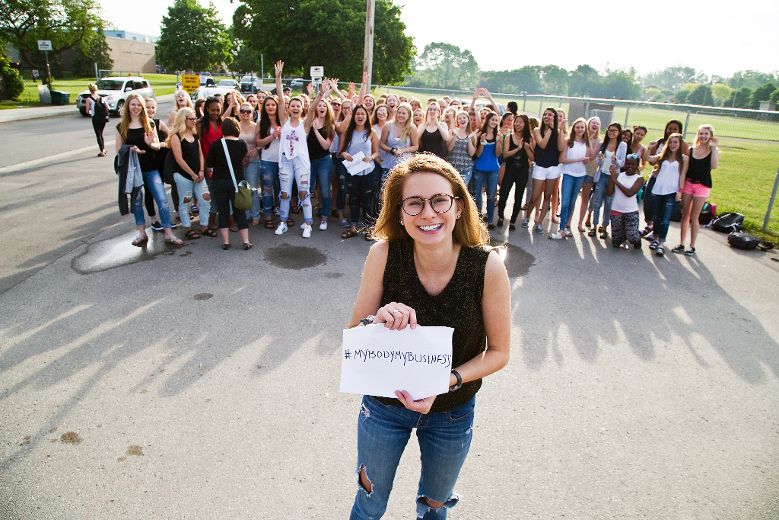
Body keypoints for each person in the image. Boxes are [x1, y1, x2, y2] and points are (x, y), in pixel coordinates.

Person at [347, 154, 510, 520]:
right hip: (384, 408)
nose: (428, 213)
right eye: (414, 203)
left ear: (457, 206)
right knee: (370, 501)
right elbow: (354, 333)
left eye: (439, 200)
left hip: (451, 413)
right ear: (400, 212)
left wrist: (448, 380)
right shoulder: (384, 253)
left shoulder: (487, 266)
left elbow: (499, 352)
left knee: (436, 507)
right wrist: (376, 319)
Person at [115, 93, 182, 247]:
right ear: (127, 106)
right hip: (133, 171)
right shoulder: (121, 127)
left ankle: (168, 233)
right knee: (137, 203)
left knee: (162, 200)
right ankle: (141, 233)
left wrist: (150, 144)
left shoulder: (149, 123)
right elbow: (119, 150)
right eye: (133, 104)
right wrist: (132, 149)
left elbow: (158, 146)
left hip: (150, 168)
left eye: (139, 104)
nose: (136, 107)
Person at [272, 61, 327, 239]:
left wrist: (320, 93)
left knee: (304, 193)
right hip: (286, 161)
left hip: (301, 162)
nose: (295, 107)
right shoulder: (284, 121)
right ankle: (282, 222)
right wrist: (278, 78)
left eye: (298, 106)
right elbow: (280, 98)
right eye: (292, 105)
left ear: (301, 108)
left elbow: (312, 108)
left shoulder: (305, 124)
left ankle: (308, 224)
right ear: (288, 109)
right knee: (286, 194)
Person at [206, 118, 252, 250]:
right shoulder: (242, 144)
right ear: (236, 128)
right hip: (236, 181)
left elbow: (209, 164)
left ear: (223, 130)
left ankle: (226, 242)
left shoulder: (215, 144)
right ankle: (246, 241)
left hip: (219, 182)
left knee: (223, 211)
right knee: (240, 212)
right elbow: (244, 160)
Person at [672, 125, 719, 256]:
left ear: (710, 136)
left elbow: (714, 166)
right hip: (688, 184)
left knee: (694, 216)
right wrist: (680, 189)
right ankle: (681, 243)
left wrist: (714, 148)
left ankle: (692, 246)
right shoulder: (691, 150)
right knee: (685, 215)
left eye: (706, 134)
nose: (703, 136)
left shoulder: (712, 152)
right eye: (701, 134)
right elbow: (684, 172)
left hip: (702, 187)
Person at [168, 107, 210, 240]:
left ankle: (204, 225)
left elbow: (200, 154)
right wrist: (192, 174)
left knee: (205, 199)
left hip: (199, 174)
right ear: (183, 119)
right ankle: (187, 227)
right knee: (185, 201)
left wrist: (201, 170)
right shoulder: (176, 137)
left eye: (194, 118)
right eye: (191, 118)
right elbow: (179, 159)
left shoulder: (194, 134)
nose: (194, 121)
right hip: (183, 175)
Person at [339, 103, 379, 240]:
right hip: (353, 171)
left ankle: (369, 229)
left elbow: (376, 152)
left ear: (366, 116)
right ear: (354, 116)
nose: (360, 116)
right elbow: (341, 151)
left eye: (362, 114)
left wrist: (371, 157)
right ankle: (353, 227)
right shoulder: (348, 132)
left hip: (368, 171)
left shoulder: (371, 132)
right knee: (354, 199)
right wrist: (345, 155)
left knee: (367, 201)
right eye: (357, 114)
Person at [646, 132, 688, 257]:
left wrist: (680, 191)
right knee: (656, 216)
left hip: (671, 191)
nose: (673, 144)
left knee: (665, 219)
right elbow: (648, 159)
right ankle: (655, 238)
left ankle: (661, 243)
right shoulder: (663, 156)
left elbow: (682, 175)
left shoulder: (684, 158)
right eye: (670, 142)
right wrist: (649, 149)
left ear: (680, 144)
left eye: (675, 142)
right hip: (658, 190)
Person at [525, 107, 564, 234]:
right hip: (540, 167)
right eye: (545, 114)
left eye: (550, 115)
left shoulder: (558, 131)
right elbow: (542, 144)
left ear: (555, 117)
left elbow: (561, 147)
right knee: (535, 196)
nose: (547, 116)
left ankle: (539, 222)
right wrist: (551, 130)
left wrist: (559, 131)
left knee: (547, 195)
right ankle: (527, 216)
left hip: (553, 168)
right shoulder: (537, 130)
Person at [551, 117, 590, 239]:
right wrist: (578, 160)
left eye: (582, 127)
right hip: (568, 174)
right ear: (573, 128)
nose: (580, 129)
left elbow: (589, 159)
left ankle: (566, 227)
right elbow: (561, 159)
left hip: (580, 175)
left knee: (572, 202)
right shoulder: (568, 141)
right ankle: (561, 229)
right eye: (577, 127)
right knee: (565, 202)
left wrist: (587, 161)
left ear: (585, 129)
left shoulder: (586, 143)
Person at [589, 123, 627, 240]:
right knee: (597, 203)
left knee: (609, 204)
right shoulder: (603, 144)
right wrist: (599, 160)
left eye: (614, 131)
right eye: (610, 130)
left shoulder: (622, 145)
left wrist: (616, 161)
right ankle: (594, 226)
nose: (612, 133)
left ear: (619, 132)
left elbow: (622, 163)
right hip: (602, 176)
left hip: (613, 178)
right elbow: (598, 162)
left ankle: (604, 228)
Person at [497, 114, 533, 230]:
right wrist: (517, 148)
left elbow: (533, 158)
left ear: (525, 124)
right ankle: (501, 216)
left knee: (519, 196)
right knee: (503, 195)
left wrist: (526, 148)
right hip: (510, 170)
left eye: (521, 122)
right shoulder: (509, 137)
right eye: (516, 122)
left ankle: (512, 221)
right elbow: (505, 154)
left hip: (523, 171)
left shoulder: (529, 138)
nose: (518, 124)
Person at [308, 93, 336, 231]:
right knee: (308, 189)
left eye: (324, 105)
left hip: (324, 160)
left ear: (328, 108)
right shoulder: (309, 122)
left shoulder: (330, 126)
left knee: (325, 190)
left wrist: (315, 130)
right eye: (319, 105)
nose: (321, 107)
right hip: (310, 161)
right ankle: (308, 218)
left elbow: (326, 145)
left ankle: (324, 217)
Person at [472, 110, 503, 229]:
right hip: (479, 168)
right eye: (492, 119)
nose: (494, 122)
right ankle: (478, 217)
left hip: (493, 169)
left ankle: (490, 220)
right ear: (488, 120)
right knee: (477, 195)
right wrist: (482, 143)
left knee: (491, 195)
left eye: (496, 120)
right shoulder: (481, 134)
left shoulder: (498, 135)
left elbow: (498, 153)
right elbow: (478, 154)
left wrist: (499, 141)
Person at [607, 154, 644, 249]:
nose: (630, 166)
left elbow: (629, 193)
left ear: (637, 166)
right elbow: (609, 192)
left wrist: (615, 180)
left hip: (631, 211)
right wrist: (612, 177)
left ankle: (636, 239)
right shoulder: (619, 175)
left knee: (632, 238)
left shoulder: (639, 179)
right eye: (628, 164)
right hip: (616, 210)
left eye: (633, 164)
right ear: (624, 164)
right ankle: (623, 234)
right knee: (615, 243)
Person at [257, 93, 283, 230]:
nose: (270, 107)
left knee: (281, 189)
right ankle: (268, 216)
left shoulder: (284, 121)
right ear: (264, 107)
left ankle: (281, 215)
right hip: (267, 161)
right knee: (267, 189)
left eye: (273, 104)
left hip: (283, 162)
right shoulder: (261, 123)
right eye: (267, 105)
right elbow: (259, 143)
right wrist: (272, 136)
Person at [238, 102, 261, 225]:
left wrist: (256, 149)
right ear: (239, 113)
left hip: (253, 160)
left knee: (252, 188)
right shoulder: (236, 125)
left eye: (248, 111)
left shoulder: (256, 126)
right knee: (242, 188)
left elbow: (260, 143)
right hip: (239, 161)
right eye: (243, 111)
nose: (245, 113)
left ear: (252, 113)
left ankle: (255, 214)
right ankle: (245, 214)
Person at [577, 116, 601, 232]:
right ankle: (567, 222)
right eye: (593, 122)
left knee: (584, 199)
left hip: (589, 173)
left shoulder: (599, 141)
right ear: (588, 124)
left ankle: (580, 223)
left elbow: (591, 156)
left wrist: (590, 138)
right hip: (577, 171)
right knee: (572, 198)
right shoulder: (580, 137)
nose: (595, 124)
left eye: (598, 123)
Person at [445, 110, 476, 188]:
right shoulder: (452, 131)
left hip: (466, 168)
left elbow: (471, 153)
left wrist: (469, 139)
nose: (462, 120)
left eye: (464, 118)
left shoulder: (472, 135)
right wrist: (454, 136)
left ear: (468, 120)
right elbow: (448, 149)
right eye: (460, 118)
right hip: (452, 166)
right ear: (457, 121)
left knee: (462, 190)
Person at [85, 83, 109, 157]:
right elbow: (107, 108)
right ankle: (103, 149)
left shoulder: (88, 99)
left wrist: (91, 112)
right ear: (96, 89)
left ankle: (102, 151)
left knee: (98, 134)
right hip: (103, 118)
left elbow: (87, 111)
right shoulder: (102, 98)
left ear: (89, 90)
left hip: (95, 118)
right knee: (101, 134)